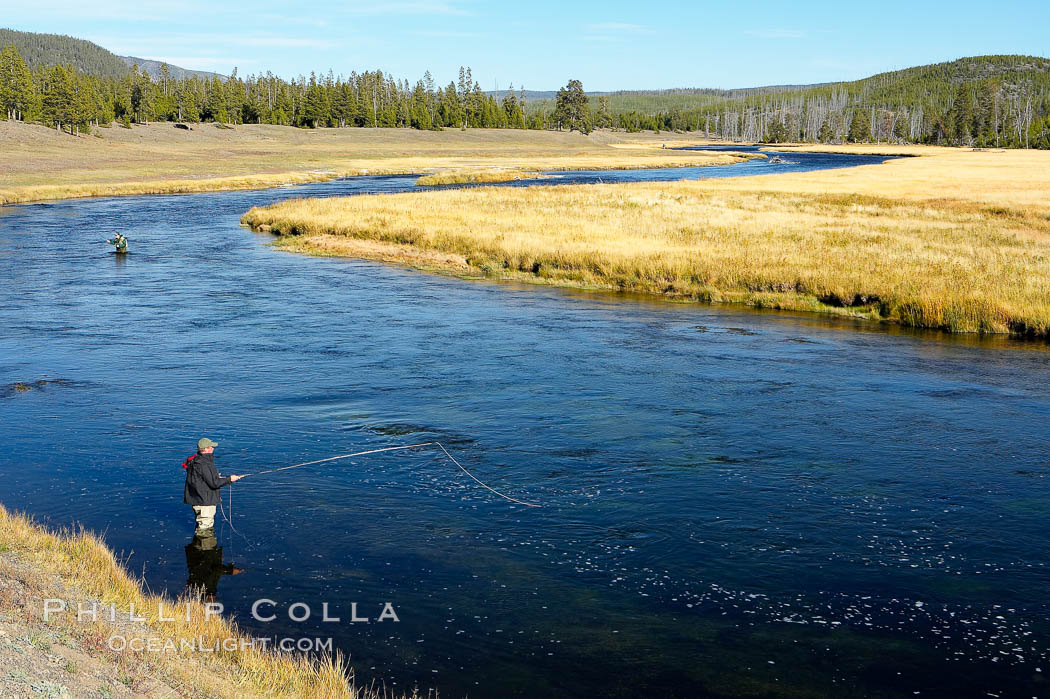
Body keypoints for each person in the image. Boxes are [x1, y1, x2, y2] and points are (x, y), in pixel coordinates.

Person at [183, 437, 241, 533]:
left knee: (200, 525)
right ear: (205, 449)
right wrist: (229, 479)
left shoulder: (194, 461)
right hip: (205, 502)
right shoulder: (204, 464)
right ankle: (206, 547)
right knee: (205, 529)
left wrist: (220, 478)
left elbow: (202, 479)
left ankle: (199, 546)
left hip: (196, 499)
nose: (213, 448)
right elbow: (214, 483)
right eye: (210, 447)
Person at [185, 529, 243, 601]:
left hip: (206, 550)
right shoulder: (197, 588)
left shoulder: (209, 588)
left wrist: (230, 571)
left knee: (206, 527)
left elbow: (216, 570)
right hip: (196, 551)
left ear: (209, 597)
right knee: (201, 529)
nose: (215, 598)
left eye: (213, 600)